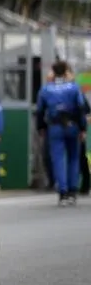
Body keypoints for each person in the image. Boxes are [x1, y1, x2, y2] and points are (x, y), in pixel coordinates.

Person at [36, 60, 88, 204]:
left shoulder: (46, 89)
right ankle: (72, 190)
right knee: (73, 158)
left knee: (58, 159)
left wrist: (41, 128)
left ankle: (62, 192)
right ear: (66, 71)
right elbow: (81, 108)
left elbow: (40, 110)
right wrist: (83, 128)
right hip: (73, 126)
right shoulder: (74, 87)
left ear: (53, 71)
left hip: (55, 126)